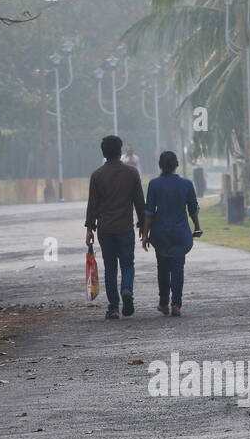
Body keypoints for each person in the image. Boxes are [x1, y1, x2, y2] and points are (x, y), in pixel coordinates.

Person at [85, 134, 145, 320]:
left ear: (104, 152)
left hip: (105, 229)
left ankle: (113, 308)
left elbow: (92, 204)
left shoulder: (97, 175)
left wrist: (89, 228)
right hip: (125, 228)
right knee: (127, 264)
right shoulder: (132, 173)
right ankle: (126, 289)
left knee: (110, 267)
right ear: (120, 152)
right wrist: (143, 225)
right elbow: (139, 202)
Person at [141, 150, 200, 317]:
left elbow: (149, 213)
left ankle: (163, 303)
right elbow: (193, 209)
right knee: (178, 268)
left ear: (160, 166)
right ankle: (176, 304)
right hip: (180, 232)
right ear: (177, 165)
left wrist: (145, 235)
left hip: (161, 233)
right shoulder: (186, 184)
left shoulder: (154, 185)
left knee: (163, 268)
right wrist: (197, 227)